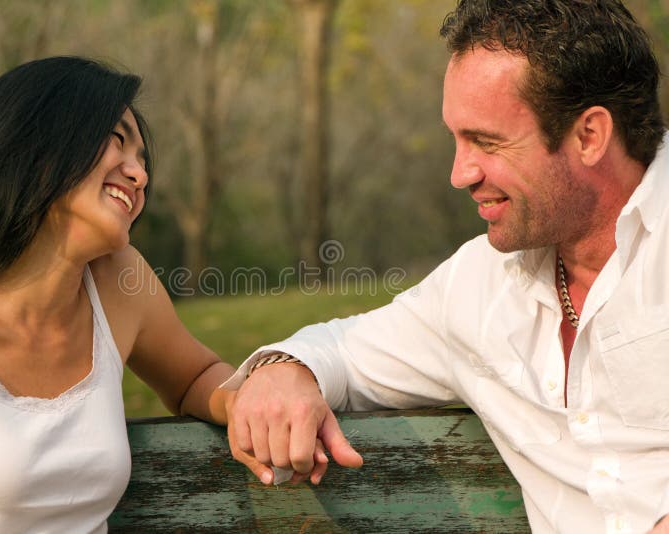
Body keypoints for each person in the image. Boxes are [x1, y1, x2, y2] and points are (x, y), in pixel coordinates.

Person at [224, 1, 669, 532]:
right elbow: (340, 351)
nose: (460, 173)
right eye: (456, 139)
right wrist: (285, 371)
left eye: (487, 141)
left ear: (589, 136)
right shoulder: (479, 287)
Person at [0, 56, 235, 532]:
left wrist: (261, 397)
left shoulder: (119, 285)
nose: (140, 175)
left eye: (142, 161)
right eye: (119, 143)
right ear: (37, 150)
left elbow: (195, 377)